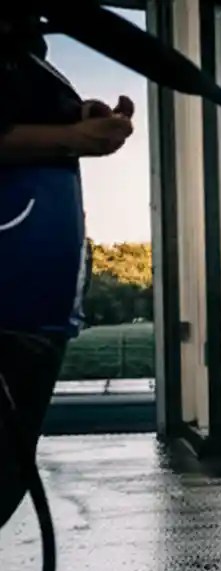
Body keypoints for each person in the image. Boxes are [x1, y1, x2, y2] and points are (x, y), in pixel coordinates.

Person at [1, 9, 135, 529]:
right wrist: (74, 139)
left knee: (6, 472)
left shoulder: (26, 59)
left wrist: (79, 118)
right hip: (6, 302)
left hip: (34, 304)